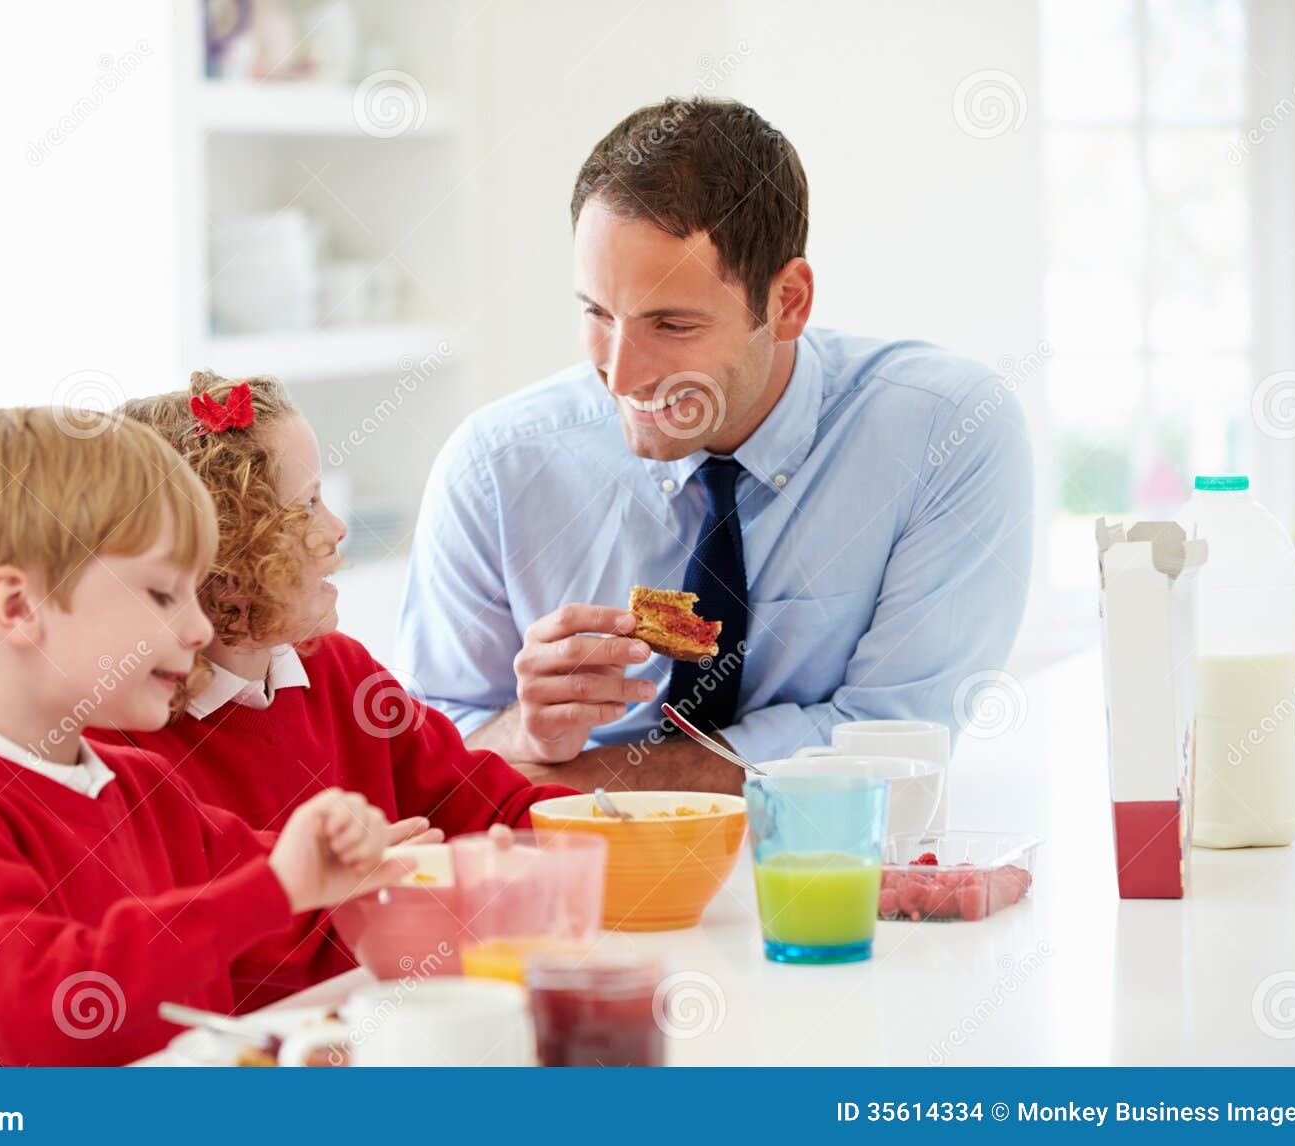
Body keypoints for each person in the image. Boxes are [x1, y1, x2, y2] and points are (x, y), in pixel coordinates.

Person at [399, 97, 1033, 793]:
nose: (622, 374)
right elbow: (429, 760)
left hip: (833, 873)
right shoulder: (494, 467)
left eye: (671, 323)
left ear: (787, 301)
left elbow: (897, 740)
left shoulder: (946, 431)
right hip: (573, 881)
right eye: (597, 313)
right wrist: (526, 729)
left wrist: (567, 782)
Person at [0, 407, 405, 1065]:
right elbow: (59, 1012)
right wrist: (278, 887)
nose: (200, 628)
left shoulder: (144, 790)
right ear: (18, 607)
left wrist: (379, 877)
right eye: (161, 593)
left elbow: (282, 937)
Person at [109, 373, 577, 1007]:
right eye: (305, 506)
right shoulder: (120, 736)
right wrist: (408, 887)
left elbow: (487, 806)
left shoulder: (341, 672)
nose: (336, 528)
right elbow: (236, 950)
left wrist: (533, 849)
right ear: (223, 556)